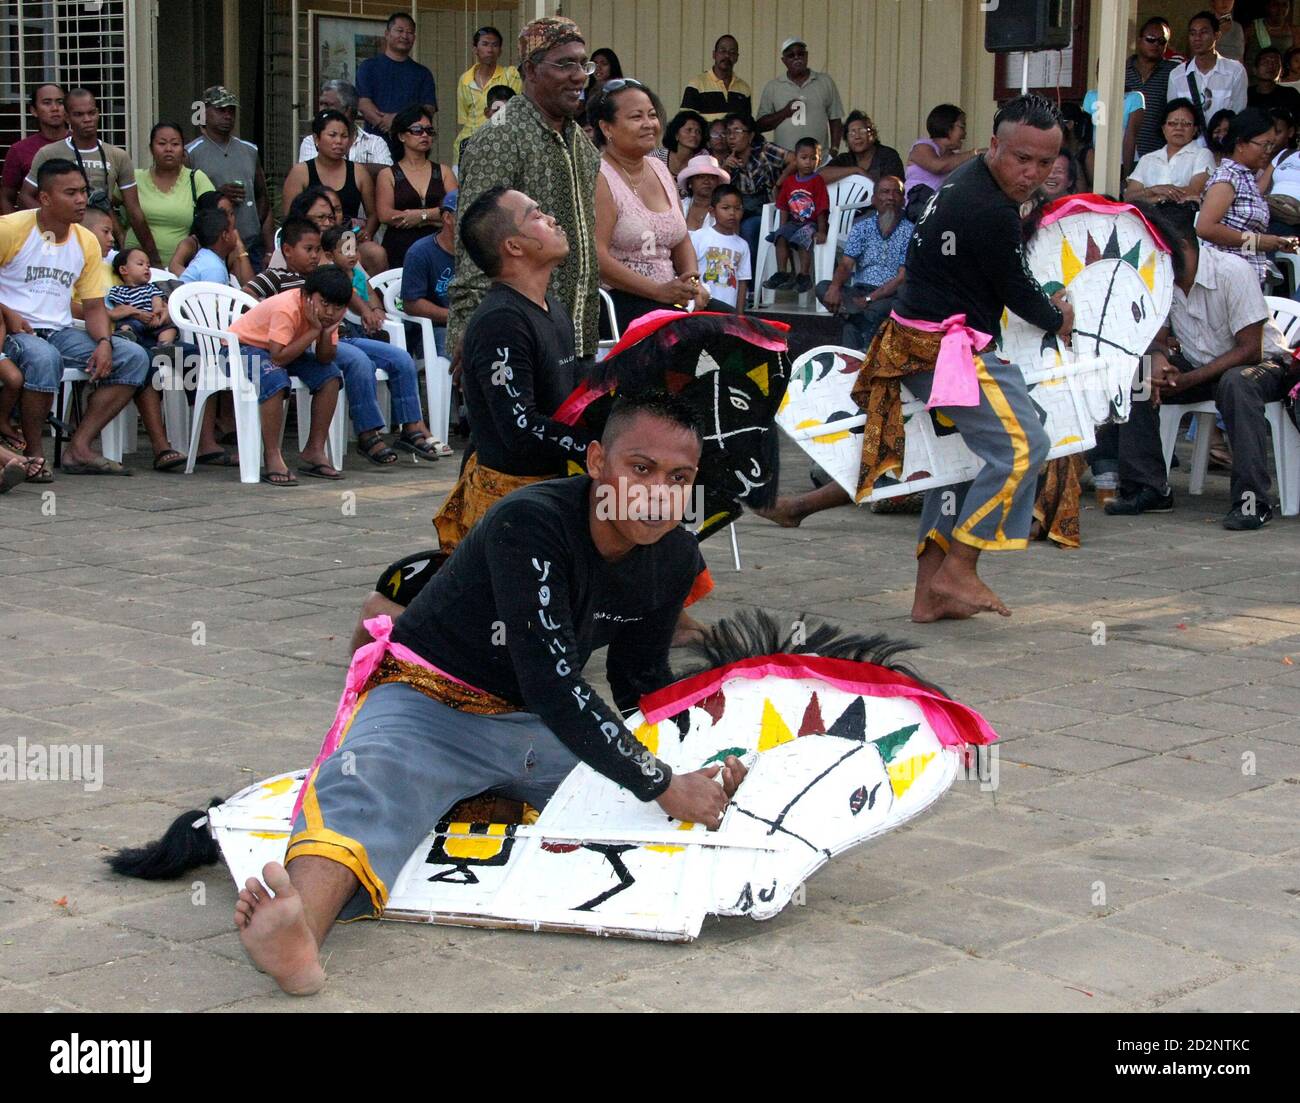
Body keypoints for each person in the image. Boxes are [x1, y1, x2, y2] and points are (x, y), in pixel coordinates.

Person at [232, 388, 745, 996]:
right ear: (596, 462)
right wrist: (660, 781)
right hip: (429, 700)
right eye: (641, 468)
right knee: (365, 783)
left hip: (537, 727)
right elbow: (553, 679)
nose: (658, 492)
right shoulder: (528, 522)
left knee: (637, 801)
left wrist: (676, 763)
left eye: (679, 477)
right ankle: (298, 940)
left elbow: (640, 681)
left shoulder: (675, 555)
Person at [855, 95, 1072, 622]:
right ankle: (960, 567)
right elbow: (1018, 289)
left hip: (914, 339)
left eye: (1045, 164)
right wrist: (1056, 315)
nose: (1033, 174)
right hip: (944, 348)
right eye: (1023, 159)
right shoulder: (989, 208)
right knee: (1025, 447)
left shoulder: (968, 178)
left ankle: (930, 595)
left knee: (956, 467)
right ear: (994, 145)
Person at [1107, 200, 1298, 530]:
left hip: (1263, 368)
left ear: (1181, 245)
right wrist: (1159, 362)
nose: (1153, 255)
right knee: (1137, 374)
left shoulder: (1231, 272)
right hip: (1200, 367)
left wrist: (1189, 378)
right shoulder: (1162, 279)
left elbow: (1250, 351)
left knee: (1237, 382)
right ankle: (1148, 488)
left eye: (1158, 247)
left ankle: (1252, 501)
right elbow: (1157, 337)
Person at [451, 16, 602, 370]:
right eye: (565, 64)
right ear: (531, 71)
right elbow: (476, 238)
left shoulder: (582, 143)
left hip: (576, 333)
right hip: (515, 338)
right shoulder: (500, 137)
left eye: (583, 63)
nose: (579, 75)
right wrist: (470, 329)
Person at [244, 216, 442, 465]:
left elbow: (352, 297)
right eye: (309, 250)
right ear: (287, 251)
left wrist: (371, 309)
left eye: (317, 250)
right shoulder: (276, 277)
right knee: (359, 362)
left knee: (400, 358)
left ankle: (411, 426)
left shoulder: (326, 276)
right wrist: (269, 312)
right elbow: (244, 297)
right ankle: (368, 433)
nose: (314, 256)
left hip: (340, 335)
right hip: (307, 341)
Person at [1, 159, 150, 481]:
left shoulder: (85, 241)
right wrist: (8, 312)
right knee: (43, 358)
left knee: (134, 357)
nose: (81, 199)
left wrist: (104, 342)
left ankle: (79, 447)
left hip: (61, 330)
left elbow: (95, 306)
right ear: (44, 198)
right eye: (71, 193)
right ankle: (34, 454)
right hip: (13, 333)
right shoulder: (11, 229)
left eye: (83, 191)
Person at [592, 80, 706, 331]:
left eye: (652, 115)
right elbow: (597, 257)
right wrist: (658, 291)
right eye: (636, 117)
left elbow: (681, 238)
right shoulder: (600, 176)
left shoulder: (659, 167)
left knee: (740, 331)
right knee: (692, 337)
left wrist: (693, 283)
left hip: (670, 297)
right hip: (619, 300)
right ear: (607, 127)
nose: (649, 124)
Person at [228, 266, 352, 485]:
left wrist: (324, 331)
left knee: (330, 377)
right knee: (275, 379)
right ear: (306, 296)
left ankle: (314, 449)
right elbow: (277, 358)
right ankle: (272, 455)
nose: (330, 312)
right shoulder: (287, 307)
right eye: (324, 303)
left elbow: (325, 359)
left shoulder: (327, 318)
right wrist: (315, 331)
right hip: (243, 348)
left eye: (338, 307)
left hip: (287, 350)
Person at [23, 89, 162, 266]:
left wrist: (156, 260)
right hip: (62, 240)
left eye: (91, 113)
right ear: (67, 117)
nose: (87, 119)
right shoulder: (49, 153)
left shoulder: (117, 155)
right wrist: (53, 222)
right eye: (79, 114)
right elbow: (26, 196)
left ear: (98, 114)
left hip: (104, 242)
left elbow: (134, 211)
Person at [1197, 107, 1299, 285]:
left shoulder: (1248, 178)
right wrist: (1258, 241)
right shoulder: (1228, 177)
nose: (1269, 150)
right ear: (1241, 144)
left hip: (1245, 278)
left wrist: (1274, 242)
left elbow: (1240, 236)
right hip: (1225, 280)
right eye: (1264, 144)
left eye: (1271, 145)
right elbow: (1206, 229)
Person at [814, 175, 910, 351]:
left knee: (878, 310)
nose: (890, 197)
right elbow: (846, 265)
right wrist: (835, 287)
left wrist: (869, 298)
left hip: (888, 295)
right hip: (858, 291)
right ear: (874, 200)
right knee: (822, 288)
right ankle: (860, 324)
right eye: (885, 192)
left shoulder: (910, 231)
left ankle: (854, 322)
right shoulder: (861, 228)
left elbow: (902, 278)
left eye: (896, 193)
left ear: (903, 200)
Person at [184, 86, 273, 272]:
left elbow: (262, 196)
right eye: (220, 110)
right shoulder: (191, 153)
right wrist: (218, 195)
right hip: (212, 246)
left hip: (251, 244)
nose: (227, 115)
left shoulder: (249, 150)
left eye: (231, 110)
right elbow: (185, 201)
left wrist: (268, 246)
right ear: (203, 112)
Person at [282, 109, 382, 271]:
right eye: (332, 135)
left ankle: (370, 294)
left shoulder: (358, 171)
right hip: (311, 240)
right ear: (316, 138)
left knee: (376, 254)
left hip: (348, 239)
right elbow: (290, 218)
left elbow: (373, 214)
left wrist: (365, 234)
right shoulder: (301, 172)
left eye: (344, 136)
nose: (339, 141)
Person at [374, 105, 456, 268]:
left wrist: (421, 216)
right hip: (400, 246)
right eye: (417, 130)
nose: (425, 135)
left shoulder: (443, 171)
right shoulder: (388, 174)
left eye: (429, 130)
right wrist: (436, 217)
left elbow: (456, 209)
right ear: (402, 136)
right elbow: (385, 215)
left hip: (440, 244)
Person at [127, 122, 215, 267]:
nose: (168, 149)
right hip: (135, 269)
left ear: (183, 149)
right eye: (162, 144)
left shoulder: (196, 178)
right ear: (151, 148)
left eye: (175, 144)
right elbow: (107, 207)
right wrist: (119, 234)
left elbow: (215, 215)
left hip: (181, 268)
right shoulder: (135, 178)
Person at [721, 112, 794, 265]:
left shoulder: (765, 151)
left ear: (751, 135)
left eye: (737, 131)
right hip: (740, 209)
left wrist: (780, 182)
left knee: (748, 229)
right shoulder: (726, 158)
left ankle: (752, 283)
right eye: (728, 132)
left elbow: (794, 160)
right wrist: (725, 169)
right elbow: (720, 192)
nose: (731, 136)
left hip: (767, 209)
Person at [762, 137, 829, 295]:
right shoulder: (790, 181)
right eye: (804, 158)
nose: (808, 162)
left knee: (803, 238)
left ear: (819, 161)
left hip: (811, 223)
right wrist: (782, 227)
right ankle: (782, 273)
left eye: (813, 158)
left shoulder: (817, 181)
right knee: (780, 236)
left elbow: (821, 208)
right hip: (793, 222)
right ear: (796, 159)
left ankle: (804, 275)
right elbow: (784, 206)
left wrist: (821, 231)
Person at [756, 38, 844, 157]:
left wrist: (834, 150)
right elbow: (761, 125)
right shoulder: (773, 87)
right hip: (785, 161)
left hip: (819, 160)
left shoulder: (824, 81)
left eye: (800, 53)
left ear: (806, 56)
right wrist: (784, 112)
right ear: (784, 60)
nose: (797, 58)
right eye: (791, 55)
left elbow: (835, 118)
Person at [1168, 10, 1248, 140]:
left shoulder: (1235, 71)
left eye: (1203, 32)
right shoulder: (1177, 74)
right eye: (1192, 33)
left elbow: (1239, 115)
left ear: (1217, 35)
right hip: (1189, 150)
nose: (1197, 38)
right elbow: (1173, 117)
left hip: (1222, 149)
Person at [356, 12, 437, 135]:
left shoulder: (423, 73)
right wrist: (385, 123)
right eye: (399, 30)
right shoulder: (368, 67)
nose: (405, 36)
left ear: (414, 38)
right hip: (375, 142)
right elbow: (363, 103)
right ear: (387, 34)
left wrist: (398, 122)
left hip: (411, 142)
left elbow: (428, 109)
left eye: (409, 32)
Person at [1125, 99, 1216, 204]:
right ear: (1163, 128)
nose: (1179, 128)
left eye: (1186, 124)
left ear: (1195, 130)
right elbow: (1129, 197)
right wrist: (1153, 190)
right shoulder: (1147, 159)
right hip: (1146, 218)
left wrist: (1155, 198)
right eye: (1172, 123)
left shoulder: (1202, 155)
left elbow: (1194, 191)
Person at [453, 25, 522, 166]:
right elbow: (465, 118)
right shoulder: (465, 79)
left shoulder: (512, 75)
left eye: (495, 45)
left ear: (500, 51)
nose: (490, 50)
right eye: (484, 44)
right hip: (468, 145)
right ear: (475, 49)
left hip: (501, 146)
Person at [400, 189, 457, 358]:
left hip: (475, 324)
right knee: (450, 353)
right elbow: (411, 304)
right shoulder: (420, 252)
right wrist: (452, 316)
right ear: (447, 217)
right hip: (433, 328)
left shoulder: (479, 250)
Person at [902, 104, 982, 219]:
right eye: (962, 127)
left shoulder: (954, 159)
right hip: (913, 212)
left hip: (938, 214)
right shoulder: (922, 146)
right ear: (947, 126)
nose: (965, 134)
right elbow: (938, 167)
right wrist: (975, 153)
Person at [298, 80, 392, 173]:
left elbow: (387, 173)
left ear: (347, 111)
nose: (321, 110)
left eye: (328, 105)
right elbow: (311, 174)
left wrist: (337, 167)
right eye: (321, 104)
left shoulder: (375, 142)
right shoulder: (312, 141)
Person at [1, 83, 66, 215]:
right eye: (47, 103)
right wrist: (16, 230)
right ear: (34, 111)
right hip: (36, 227)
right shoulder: (19, 150)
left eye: (60, 102)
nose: (55, 108)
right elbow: (6, 196)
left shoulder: (79, 143)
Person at [168, 192, 254, 286]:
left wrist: (240, 249)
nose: (229, 219)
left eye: (231, 214)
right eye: (223, 214)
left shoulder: (230, 246)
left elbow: (249, 287)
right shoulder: (212, 266)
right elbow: (174, 265)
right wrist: (195, 282)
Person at [690, 183, 750, 312]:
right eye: (725, 208)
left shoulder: (742, 245)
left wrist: (739, 315)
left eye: (737, 208)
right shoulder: (699, 237)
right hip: (702, 306)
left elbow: (742, 282)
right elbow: (690, 272)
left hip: (728, 309)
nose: (732, 213)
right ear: (712, 211)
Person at [1127, 17, 1180, 160]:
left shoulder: (1174, 73)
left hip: (1159, 156)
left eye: (1161, 41)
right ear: (1139, 40)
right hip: (1121, 155)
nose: (1156, 44)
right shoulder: (1121, 70)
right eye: (1150, 39)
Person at [819, 110, 905, 188]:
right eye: (852, 132)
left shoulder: (888, 155)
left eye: (862, 131)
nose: (857, 136)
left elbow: (892, 188)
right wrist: (856, 170)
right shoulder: (845, 159)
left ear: (872, 134)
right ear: (846, 139)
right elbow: (820, 176)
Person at [681, 35, 753, 122]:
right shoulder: (697, 84)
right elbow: (686, 122)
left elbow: (746, 124)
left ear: (736, 57)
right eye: (722, 51)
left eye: (732, 52)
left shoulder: (744, 89)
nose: (727, 55)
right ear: (714, 54)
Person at [178, 206, 241, 283]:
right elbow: (213, 295)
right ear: (225, 236)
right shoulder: (214, 269)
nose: (236, 233)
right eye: (233, 229)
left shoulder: (207, 256)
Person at [678, 153, 729, 231]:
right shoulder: (679, 207)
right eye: (701, 177)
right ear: (690, 183)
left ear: (718, 182)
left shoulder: (725, 210)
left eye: (712, 178)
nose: (706, 181)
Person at [1245, 0, 1300, 70]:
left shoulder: (1294, 31)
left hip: (1281, 76)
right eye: (1275, 4)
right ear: (1267, 6)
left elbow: (1297, 58)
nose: (1280, 9)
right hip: (1253, 75)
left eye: (1284, 5)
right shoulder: (1252, 28)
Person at [1249, 47, 1300, 115]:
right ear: (1255, 70)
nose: (1270, 66)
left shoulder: (1290, 94)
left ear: (1281, 71)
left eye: (1275, 63)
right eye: (1265, 62)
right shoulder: (1247, 94)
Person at [662, 110, 708, 185]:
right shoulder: (657, 157)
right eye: (689, 130)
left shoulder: (702, 157)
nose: (694, 135)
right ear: (676, 134)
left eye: (698, 132)